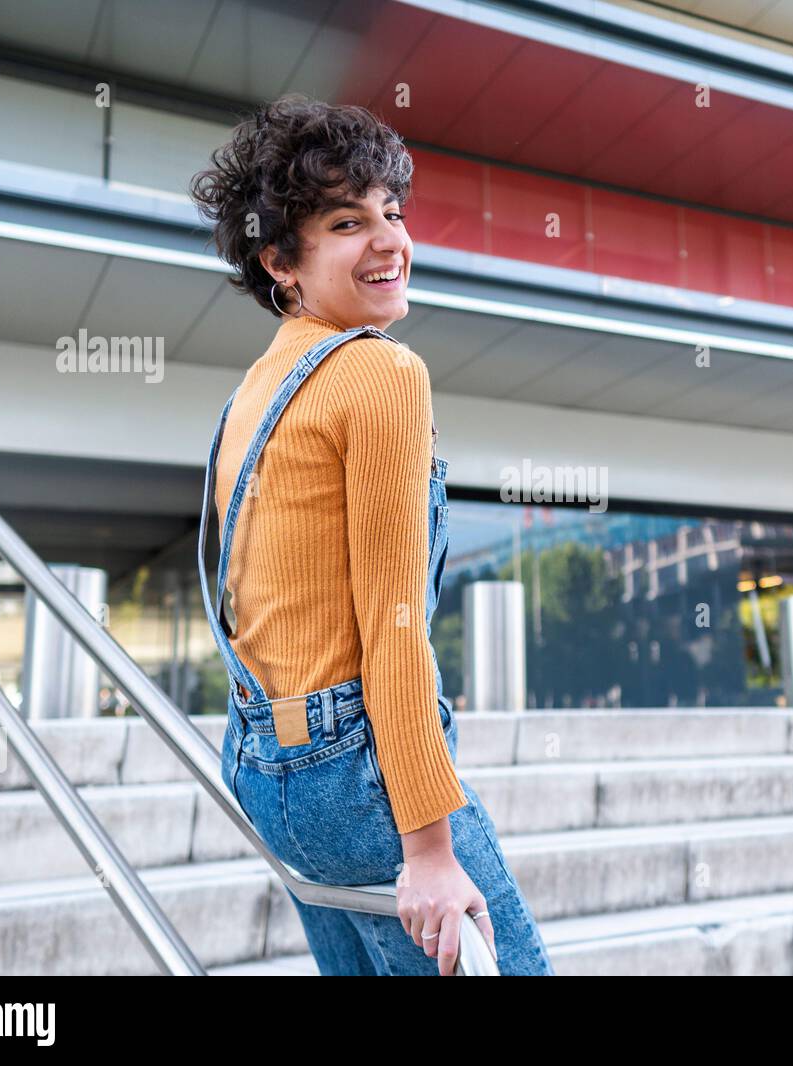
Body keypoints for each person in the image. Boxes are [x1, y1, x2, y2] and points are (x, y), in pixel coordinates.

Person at [189, 95, 554, 976]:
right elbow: (393, 630)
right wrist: (429, 847)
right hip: (367, 783)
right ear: (281, 260)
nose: (389, 239)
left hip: (266, 764)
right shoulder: (381, 372)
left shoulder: (256, 391)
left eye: (393, 211)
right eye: (348, 221)